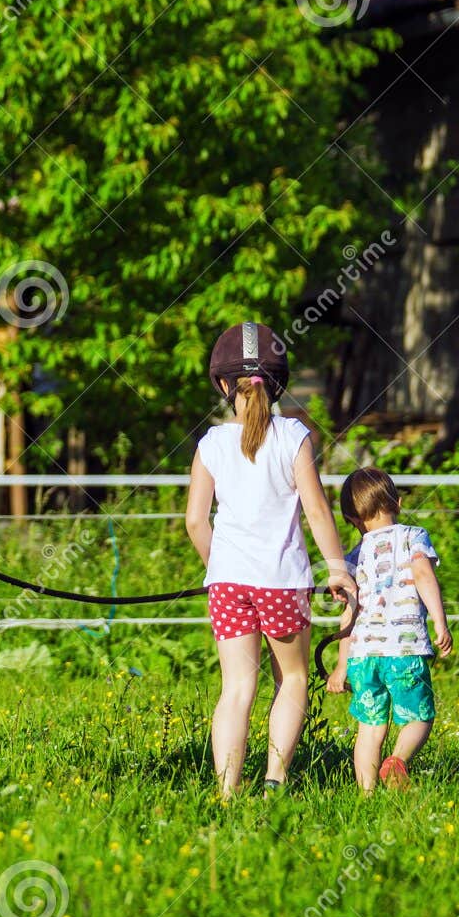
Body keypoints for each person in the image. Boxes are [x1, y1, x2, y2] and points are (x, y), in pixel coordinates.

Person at [184, 322, 355, 797]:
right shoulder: (294, 436)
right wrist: (338, 569)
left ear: (223, 385)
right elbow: (317, 511)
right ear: (278, 382)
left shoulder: (211, 444)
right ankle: (275, 780)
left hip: (229, 586)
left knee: (237, 688)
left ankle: (225, 792)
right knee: (294, 678)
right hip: (283, 583)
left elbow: (196, 522)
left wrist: (216, 568)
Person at [327, 467, 451, 791]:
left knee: (369, 728)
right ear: (396, 502)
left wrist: (341, 666)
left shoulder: (354, 556)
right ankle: (397, 761)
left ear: (353, 520)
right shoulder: (414, 536)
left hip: (363, 656)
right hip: (404, 651)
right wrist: (440, 620)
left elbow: (348, 615)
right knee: (418, 716)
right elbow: (423, 575)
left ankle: (368, 795)